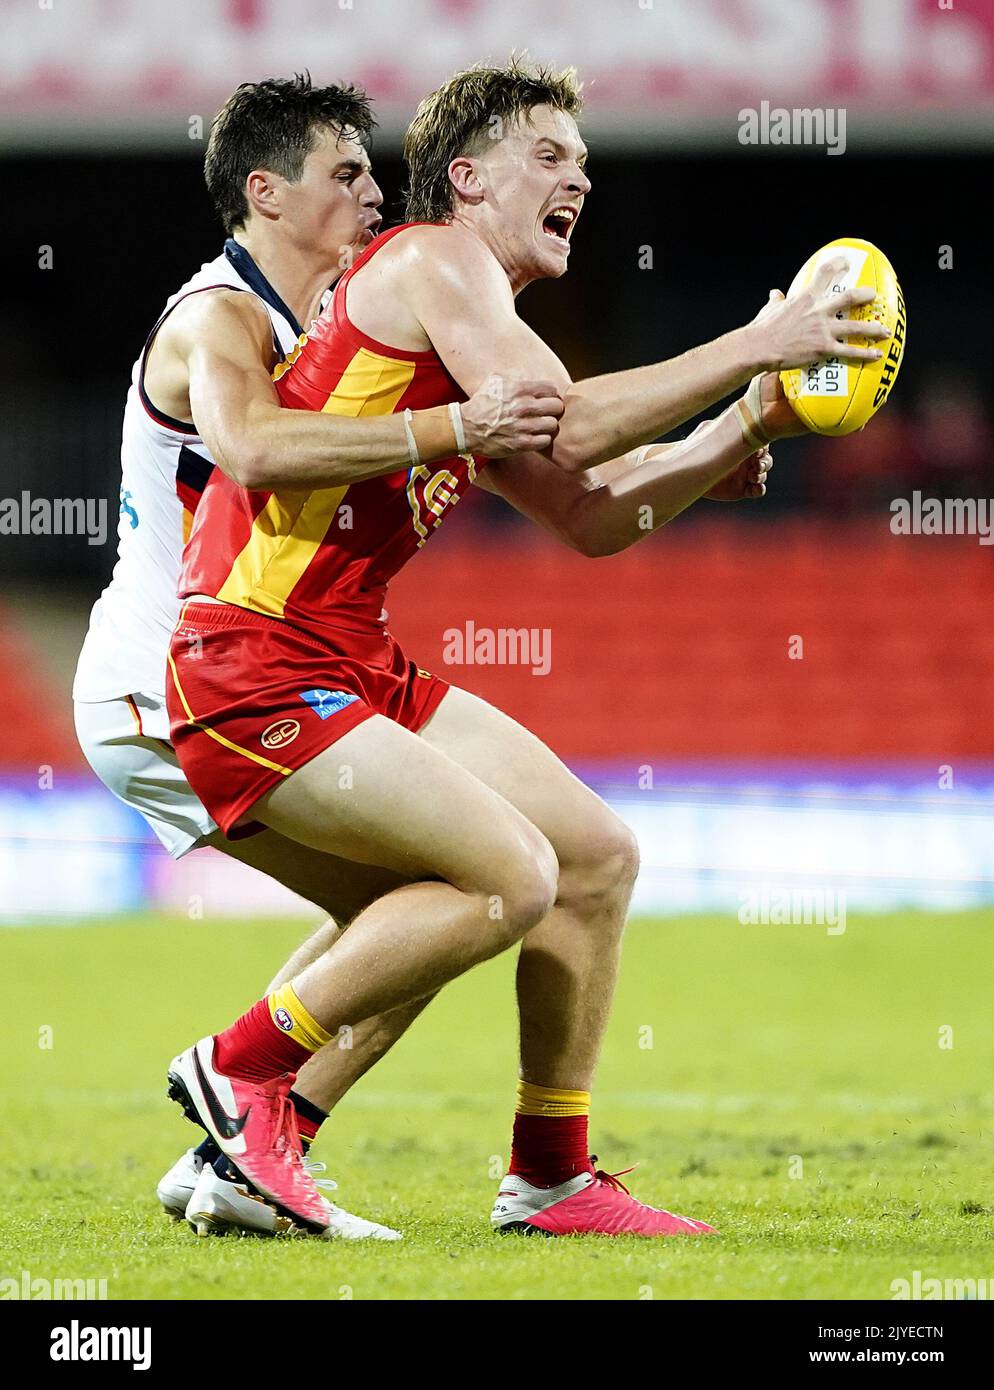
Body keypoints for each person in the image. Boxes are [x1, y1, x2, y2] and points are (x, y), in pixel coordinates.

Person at [164, 59, 888, 1237]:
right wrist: (763, 342)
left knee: (593, 857)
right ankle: (242, 1074)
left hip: (347, 661)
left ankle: (548, 1172)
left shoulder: (472, 331)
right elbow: (586, 419)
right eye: (549, 156)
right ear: (465, 178)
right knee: (509, 875)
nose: (581, 178)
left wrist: (742, 428)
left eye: (584, 162)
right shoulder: (432, 260)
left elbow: (593, 514)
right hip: (254, 657)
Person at [72, 74, 559, 1240]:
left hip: (218, 668)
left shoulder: (318, 328)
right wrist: (450, 427)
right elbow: (246, 447)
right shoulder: (217, 318)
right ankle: (242, 1093)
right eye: (343, 173)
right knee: (472, 887)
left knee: (438, 904)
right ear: (263, 192)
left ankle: (240, 1156)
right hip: (165, 678)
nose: (370, 191)